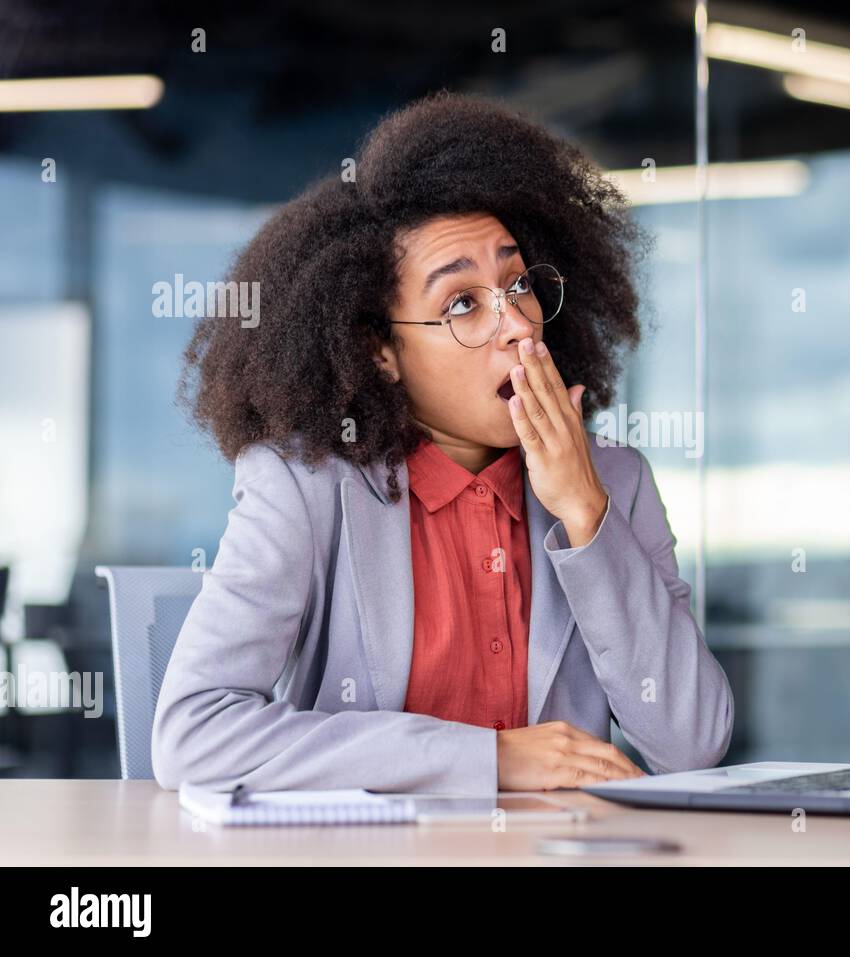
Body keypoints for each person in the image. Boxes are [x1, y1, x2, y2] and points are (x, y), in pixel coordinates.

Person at [151, 91, 734, 794]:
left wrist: (587, 515)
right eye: (461, 303)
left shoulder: (615, 481)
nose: (518, 325)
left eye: (516, 284)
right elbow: (194, 733)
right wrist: (487, 760)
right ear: (381, 351)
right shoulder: (303, 488)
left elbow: (692, 744)